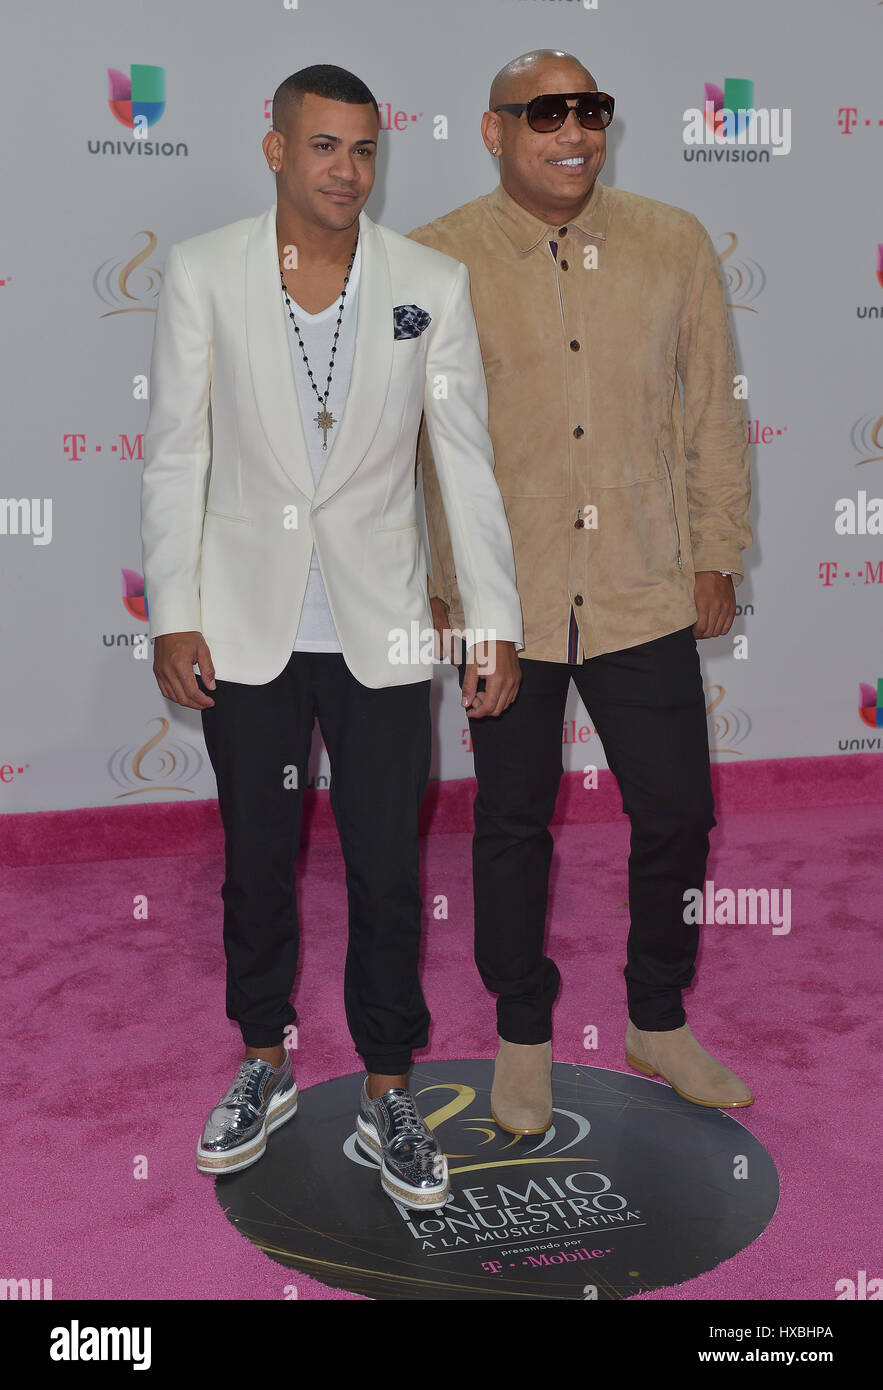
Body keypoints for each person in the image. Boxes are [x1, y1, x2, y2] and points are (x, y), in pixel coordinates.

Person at [140, 64, 523, 1207]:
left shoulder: (430, 284)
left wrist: (490, 622)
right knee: (256, 867)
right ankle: (263, 1064)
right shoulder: (203, 272)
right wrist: (174, 610)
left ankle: (387, 1092)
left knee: (389, 872)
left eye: (361, 149)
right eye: (321, 147)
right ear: (275, 150)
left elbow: (464, 462)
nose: (345, 170)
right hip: (246, 626)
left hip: (387, 628)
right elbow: (177, 455)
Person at [409, 49, 753, 1132]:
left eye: (590, 111)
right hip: (505, 597)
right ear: (493, 129)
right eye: (546, 113)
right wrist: (441, 586)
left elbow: (711, 410)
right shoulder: (435, 262)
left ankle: (656, 1015)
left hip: (640, 578)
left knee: (680, 811)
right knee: (511, 820)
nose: (574, 132)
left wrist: (717, 549)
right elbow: (412, 445)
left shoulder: (671, 243)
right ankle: (522, 1034)